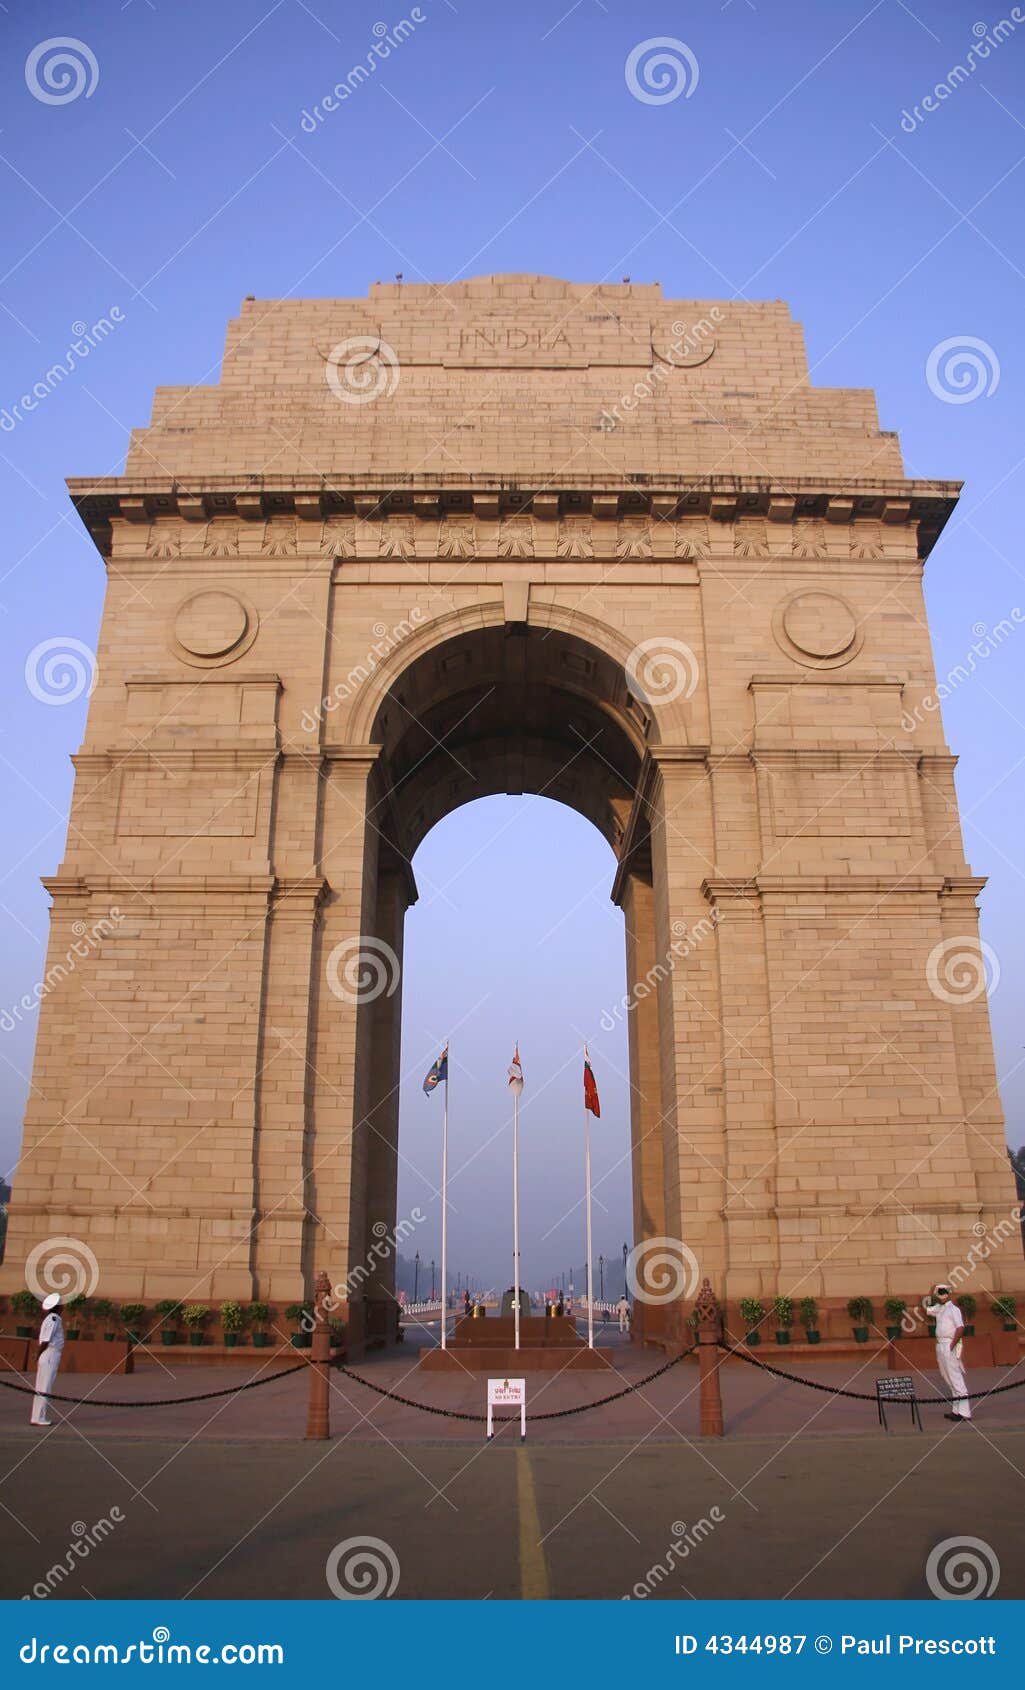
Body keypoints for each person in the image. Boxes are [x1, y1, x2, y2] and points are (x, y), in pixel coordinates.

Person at [924, 1283, 971, 1422]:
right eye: (939, 1292)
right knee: (947, 1377)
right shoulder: (939, 1308)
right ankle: (956, 1410)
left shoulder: (953, 1309)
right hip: (940, 1344)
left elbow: (960, 1328)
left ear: (948, 1293)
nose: (942, 1294)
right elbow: (926, 1309)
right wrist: (930, 1292)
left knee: (955, 1377)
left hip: (949, 1344)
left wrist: (952, 1345)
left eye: (943, 1291)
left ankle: (965, 1412)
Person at [30, 1292, 64, 1428]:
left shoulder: (51, 1318)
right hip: (50, 1354)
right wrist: (37, 1354)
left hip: (48, 1354)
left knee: (41, 1386)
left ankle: (36, 1416)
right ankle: (40, 1417)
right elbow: (45, 1341)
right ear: (57, 1306)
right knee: (45, 1387)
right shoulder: (53, 1319)